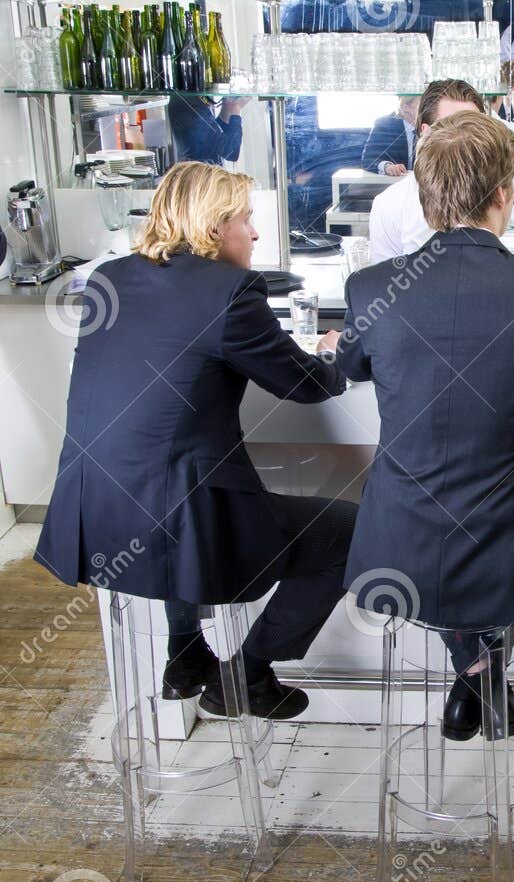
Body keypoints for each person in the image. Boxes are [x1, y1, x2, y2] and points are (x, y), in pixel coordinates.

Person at [35, 162, 357, 721]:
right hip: (176, 525)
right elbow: (305, 386)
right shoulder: (233, 291)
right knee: (346, 531)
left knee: (182, 504)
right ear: (213, 227)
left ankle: (185, 652)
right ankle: (249, 674)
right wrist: (336, 353)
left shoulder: (109, 279)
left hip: (94, 517)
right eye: (246, 220)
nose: (255, 233)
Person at [339, 112, 514, 737]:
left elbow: (350, 365)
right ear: (500, 197)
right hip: (512, 545)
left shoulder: (371, 287)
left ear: (427, 196)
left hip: (399, 545)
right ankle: (482, 672)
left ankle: (475, 673)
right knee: (495, 566)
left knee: (453, 565)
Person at [368, 79, 514, 264]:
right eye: (449, 126)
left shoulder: (512, 191)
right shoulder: (390, 204)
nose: (463, 136)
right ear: (425, 131)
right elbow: (385, 281)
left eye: (475, 127)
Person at [167, 95, 247, 166]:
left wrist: (227, 107)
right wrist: (236, 108)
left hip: (200, 175)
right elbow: (231, 152)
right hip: (202, 178)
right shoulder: (189, 104)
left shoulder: (190, 100)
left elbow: (214, 138)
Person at [360, 95, 419, 177]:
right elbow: (369, 159)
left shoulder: (434, 125)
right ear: (406, 107)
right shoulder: (385, 124)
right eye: (424, 103)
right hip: (393, 184)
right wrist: (387, 166)